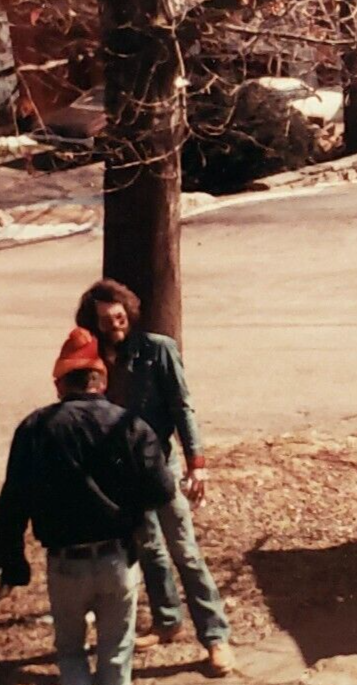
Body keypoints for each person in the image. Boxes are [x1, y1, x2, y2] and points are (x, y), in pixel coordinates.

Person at [75, 279, 235, 677]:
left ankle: (215, 637)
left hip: (160, 466)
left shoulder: (158, 350)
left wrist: (197, 462)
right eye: (106, 319)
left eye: (119, 316)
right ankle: (167, 621)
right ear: (93, 321)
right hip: (121, 474)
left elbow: (182, 407)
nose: (115, 324)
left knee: (185, 551)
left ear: (129, 311)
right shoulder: (93, 358)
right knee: (149, 548)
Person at [0, 328, 176, 685]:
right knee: (115, 652)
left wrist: (14, 563)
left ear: (60, 384)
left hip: (65, 563)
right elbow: (161, 489)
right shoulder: (130, 426)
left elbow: (12, 505)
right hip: (117, 560)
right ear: (101, 382)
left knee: (70, 652)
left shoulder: (35, 428)